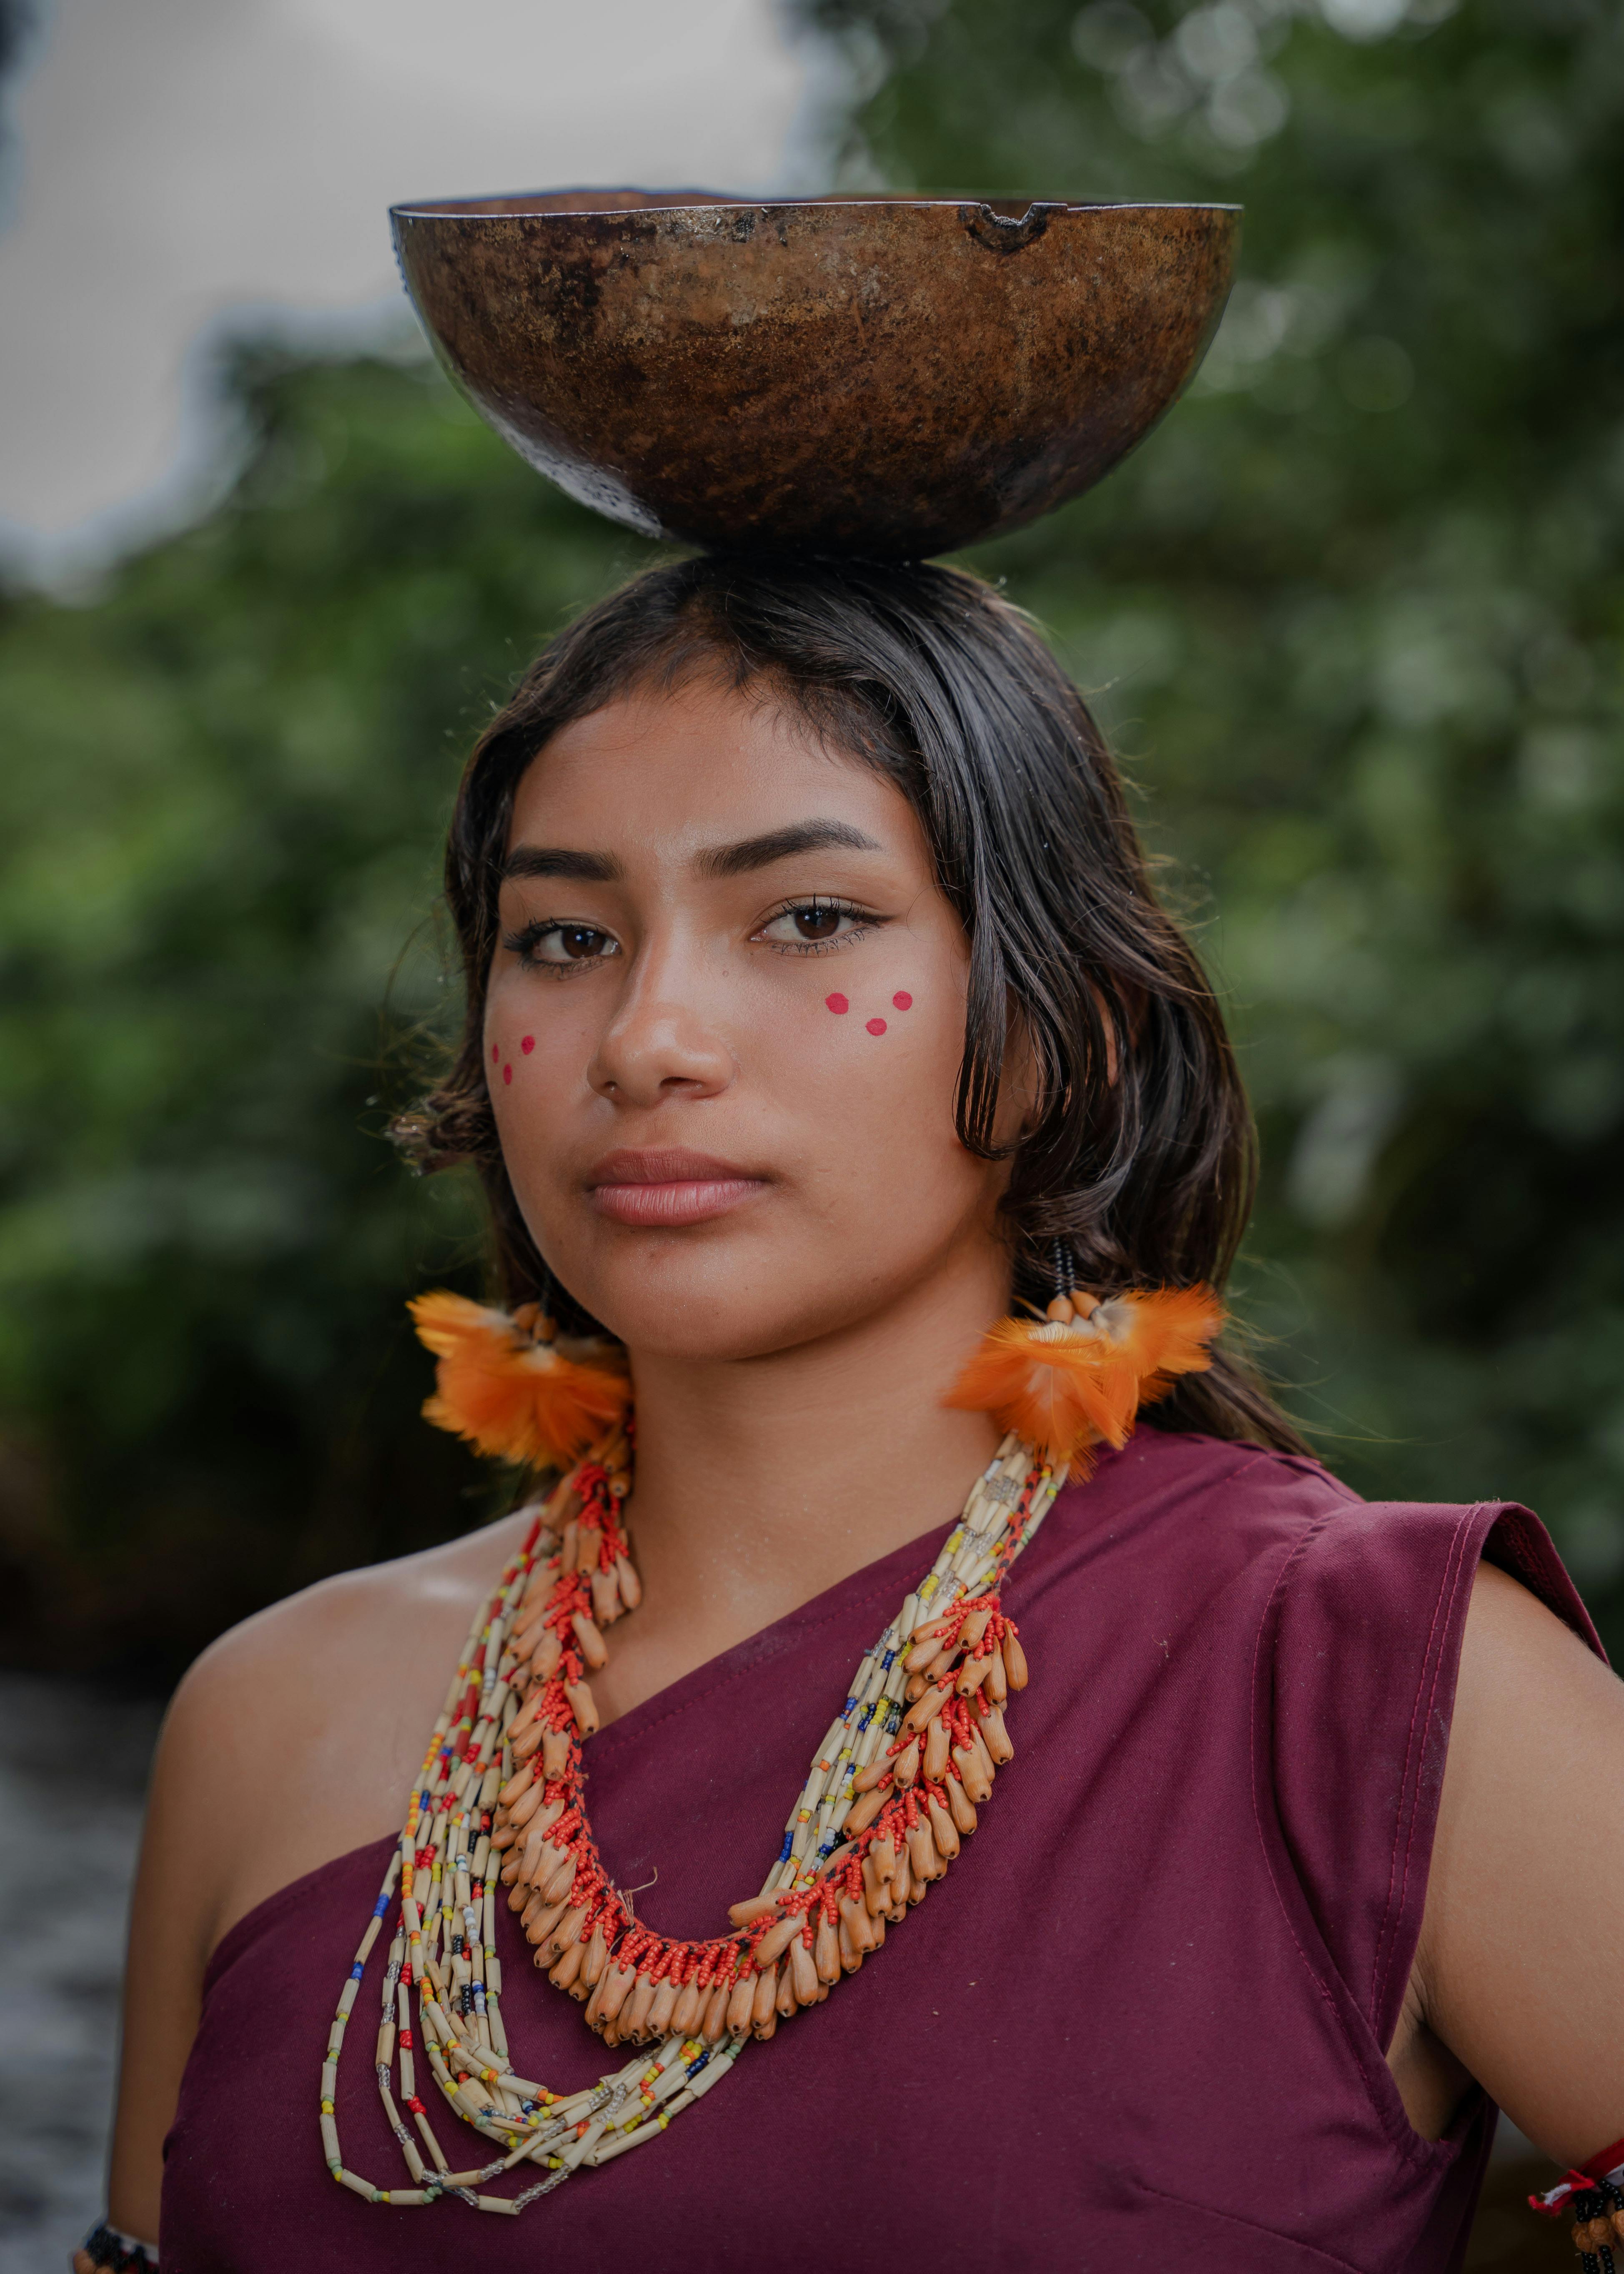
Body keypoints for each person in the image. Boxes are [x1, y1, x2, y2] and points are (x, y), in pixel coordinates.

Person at [87, 555, 1624, 2272]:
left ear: (1061, 1024)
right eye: (566, 939)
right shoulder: (274, 1720)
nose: (646, 1038)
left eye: (807, 918)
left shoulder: (1379, 1686)